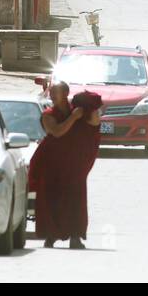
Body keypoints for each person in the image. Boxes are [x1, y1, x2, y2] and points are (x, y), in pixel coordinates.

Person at [28, 81, 101, 249]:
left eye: (56, 93)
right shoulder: (48, 114)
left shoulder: (78, 110)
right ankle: (51, 236)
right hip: (52, 164)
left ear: (66, 93)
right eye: (51, 93)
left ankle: (75, 236)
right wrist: (73, 117)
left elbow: (95, 123)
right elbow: (58, 132)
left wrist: (89, 108)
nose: (52, 96)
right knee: (52, 199)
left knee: (75, 200)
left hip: (74, 164)